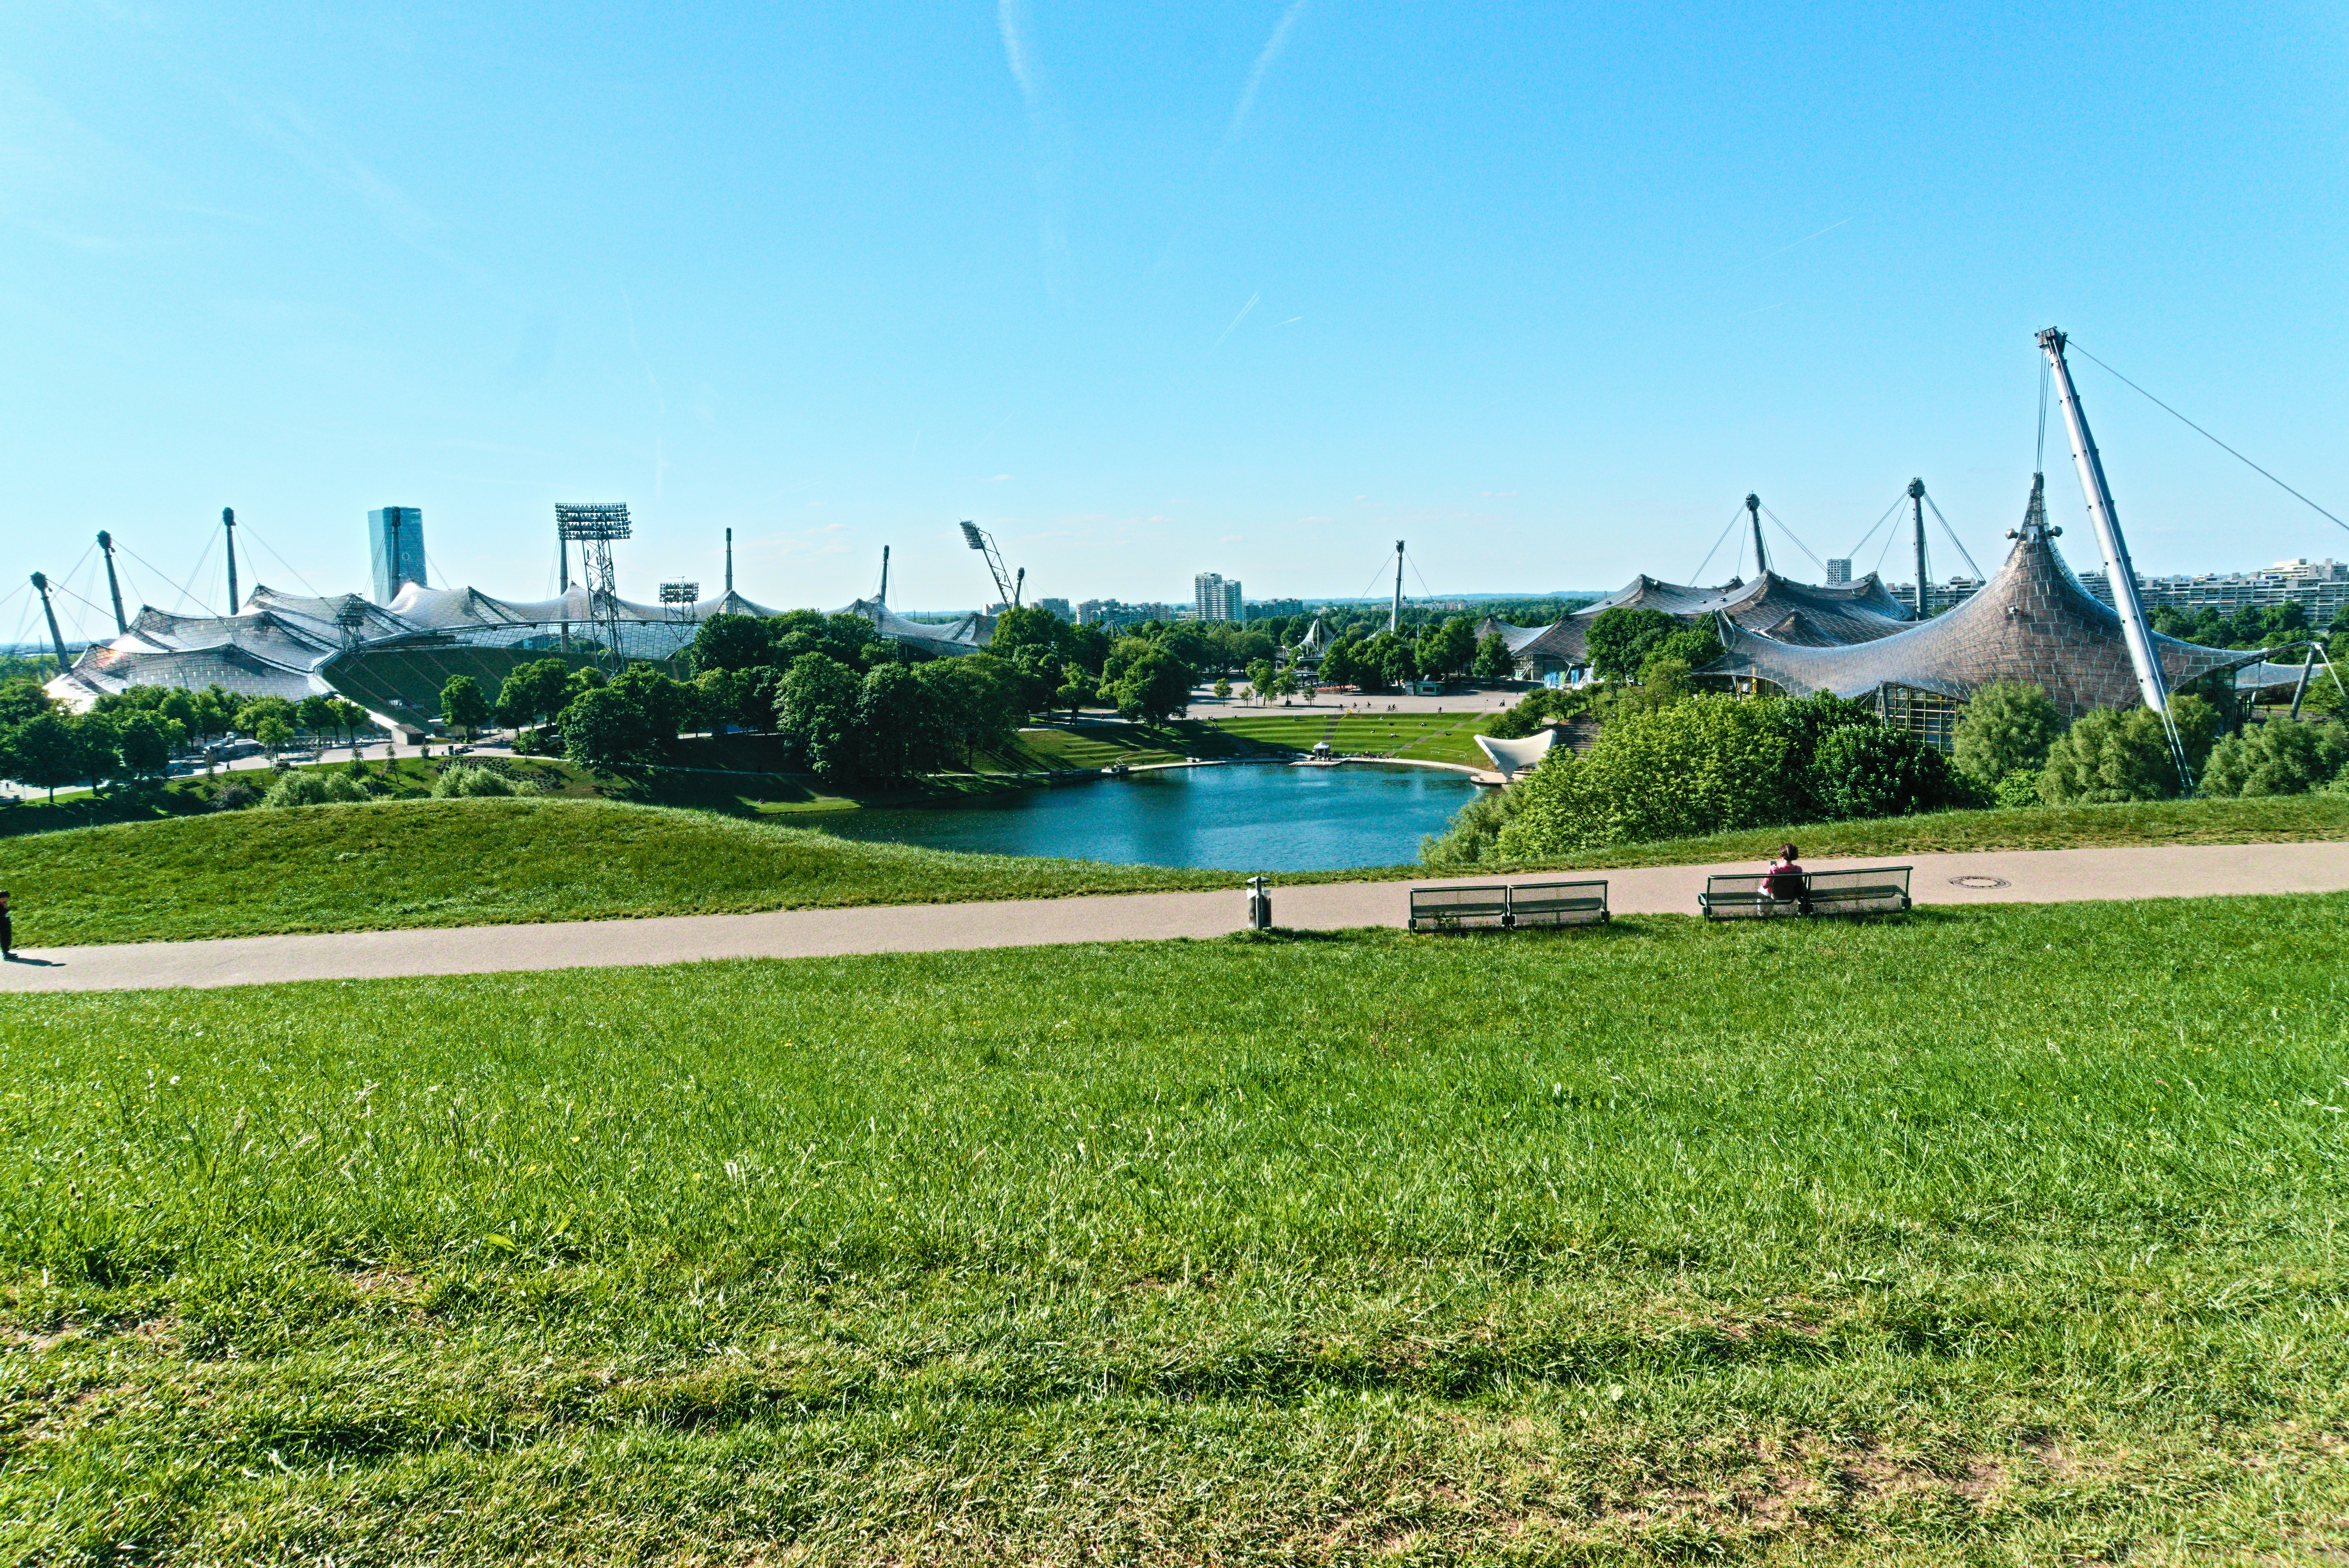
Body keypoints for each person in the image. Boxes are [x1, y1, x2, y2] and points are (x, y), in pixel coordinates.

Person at [1763, 844, 1807, 909]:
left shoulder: (1774, 868)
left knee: (1762, 890)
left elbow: (1765, 885)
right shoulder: (1798, 869)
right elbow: (1800, 884)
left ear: (1782, 855)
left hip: (1776, 895)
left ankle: (1763, 912)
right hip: (1791, 895)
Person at [0, 890, 12, 959]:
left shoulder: (3, 904)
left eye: (7, 898)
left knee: (8, 937)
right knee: (4, 938)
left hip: (6, 923)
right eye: (5, 898)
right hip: (2, 924)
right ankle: (5, 954)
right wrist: (4, 909)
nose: (6, 900)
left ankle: (7, 952)